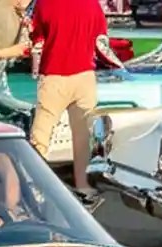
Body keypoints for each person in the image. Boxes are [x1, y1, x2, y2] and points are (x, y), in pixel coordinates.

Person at [29, 0, 123, 195]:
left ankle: (35, 187)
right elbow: (101, 41)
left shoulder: (45, 4)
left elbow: (37, 38)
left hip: (54, 76)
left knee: (41, 136)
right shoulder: (92, 5)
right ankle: (82, 185)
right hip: (84, 76)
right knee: (82, 136)